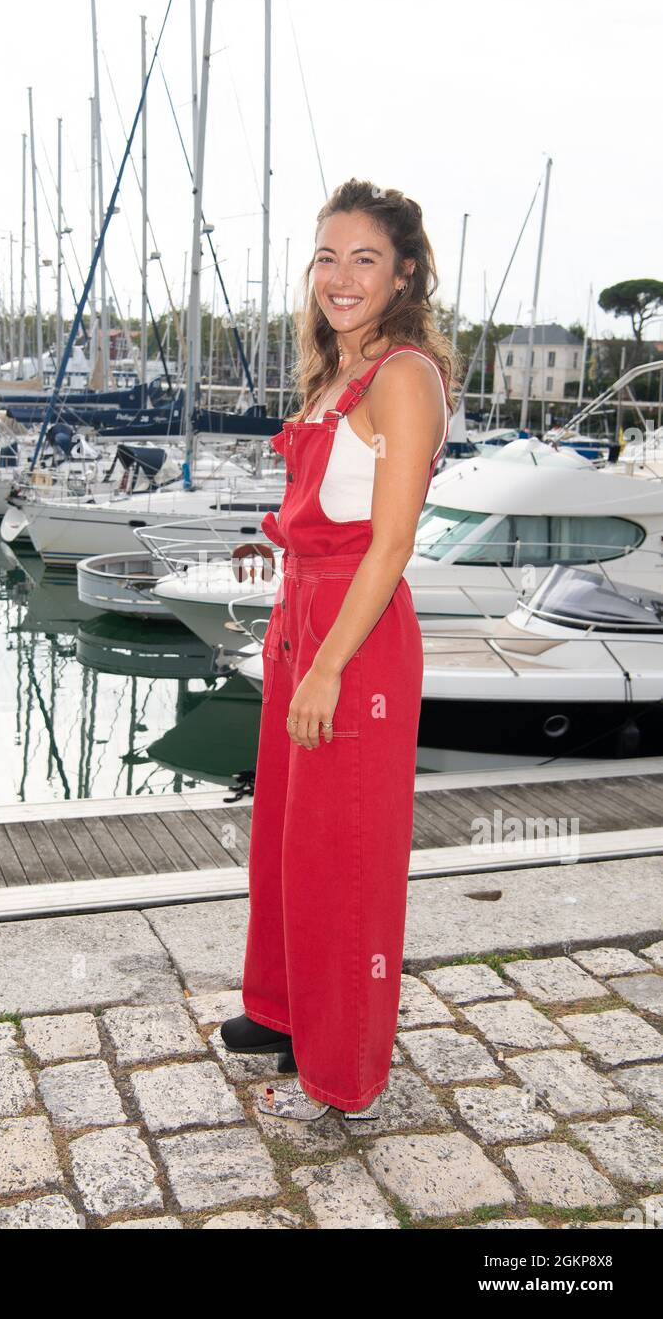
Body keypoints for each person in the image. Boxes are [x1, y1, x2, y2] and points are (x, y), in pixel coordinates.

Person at [221, 179, 461, 1120]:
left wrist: (325, 665)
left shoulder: (404, 377)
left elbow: (390, 543)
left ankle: (343, 1068)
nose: (340, 276)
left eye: (365, 258)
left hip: (353, 636)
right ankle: (283, 1012)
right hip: (304, 615)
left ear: (405, 274)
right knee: (288, 836)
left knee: (346, 853)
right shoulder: (335, 377)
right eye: (327, 256)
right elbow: (328, 517)